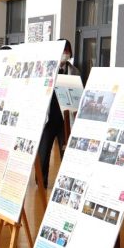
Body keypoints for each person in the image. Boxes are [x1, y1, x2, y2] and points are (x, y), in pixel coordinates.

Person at [38, 39, 80, 188]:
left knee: (66, 153)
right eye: (63, 51)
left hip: (65, 119)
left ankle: (66, 185)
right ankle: (41, 183)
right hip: (49, 118)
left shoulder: (74, 71)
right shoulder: (47, 69)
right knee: (43, 152)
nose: (65, 54)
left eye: (67, 51)